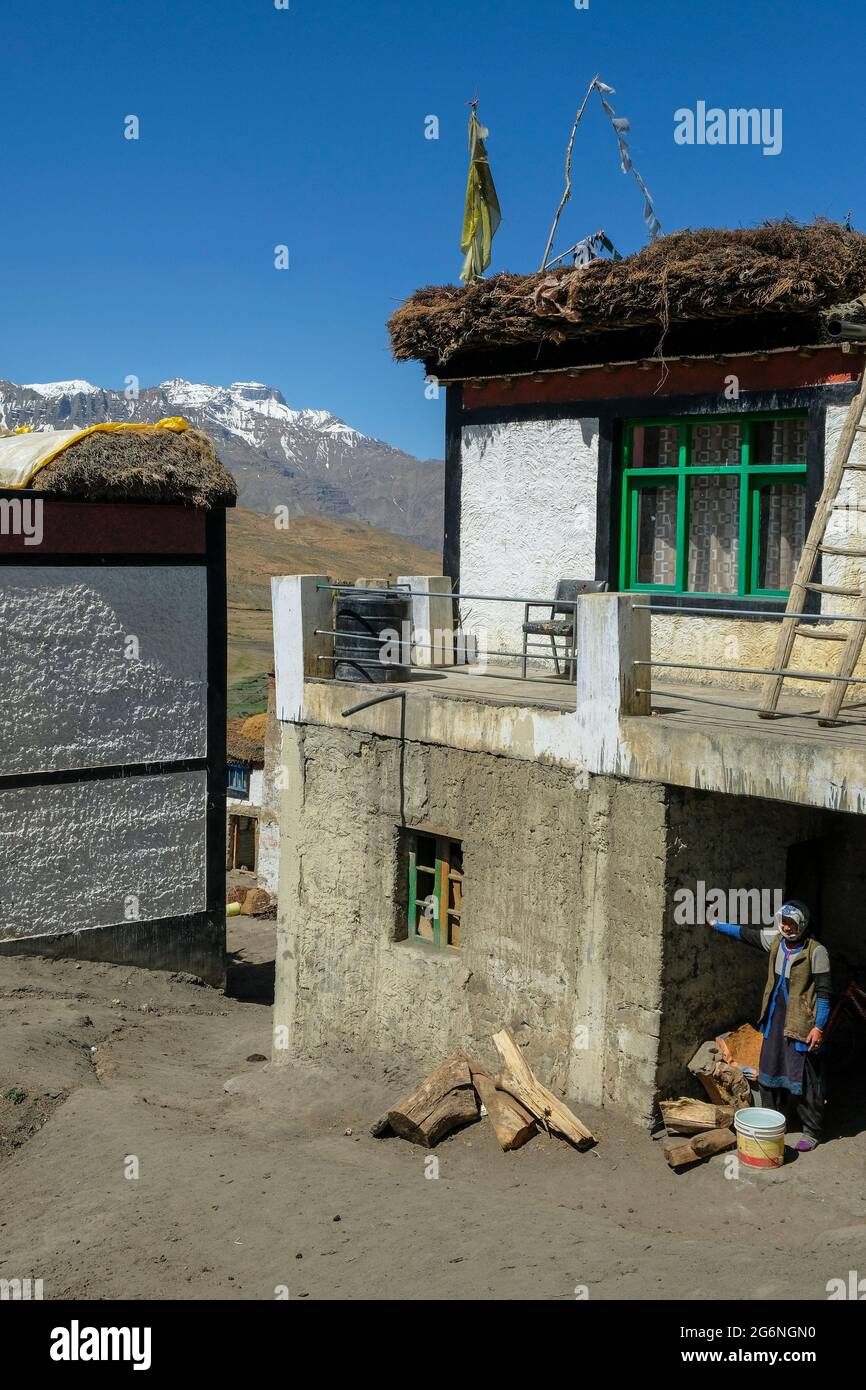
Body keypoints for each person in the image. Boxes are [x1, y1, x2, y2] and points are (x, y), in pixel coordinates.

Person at [708, 900, 831, 1151]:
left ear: (803, 924)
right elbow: (746, 934)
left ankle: (811, 1131)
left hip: (801, 1022)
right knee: (770, 1069)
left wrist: (818, 1027)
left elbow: (825, 994)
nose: (786, 926)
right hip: (775, 1017)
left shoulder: (816, 952)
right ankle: (772, 1122)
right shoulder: (776, 940)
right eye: (783, 921)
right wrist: (716, 924)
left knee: (803, 1076)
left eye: (791, 922)